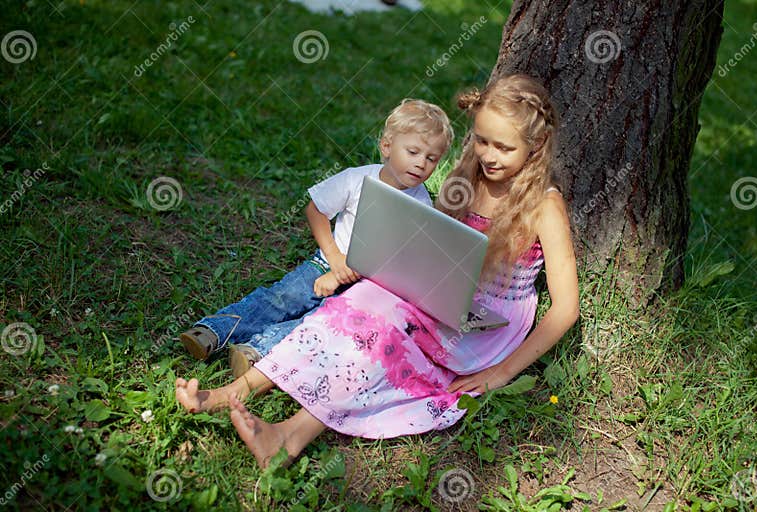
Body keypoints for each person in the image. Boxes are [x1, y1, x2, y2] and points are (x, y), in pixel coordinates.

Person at [176, 74, 580, 469]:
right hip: (443, 291)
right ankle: (229, 392)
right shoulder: (469, 179)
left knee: (382, 339)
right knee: (356, 302)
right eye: (481, 140)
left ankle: (289, 435)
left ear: (537, 145)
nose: (489, 155)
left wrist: (502, 372)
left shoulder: (545, 205)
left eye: (504, 148)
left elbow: (565, 308)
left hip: (487, 325)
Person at [178, 99, 454, 377]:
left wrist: (345, 276)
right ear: (386, 146)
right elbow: (316, 209)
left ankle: (257, 352)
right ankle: (213, 331)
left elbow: (400, 257)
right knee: (283, 298)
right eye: (413, 152)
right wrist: (334, 259)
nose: (421, 163)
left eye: (431, 158)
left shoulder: (421, 207)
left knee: (321, 322)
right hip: (327, 261)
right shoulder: (358, 179)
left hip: (368, 285)